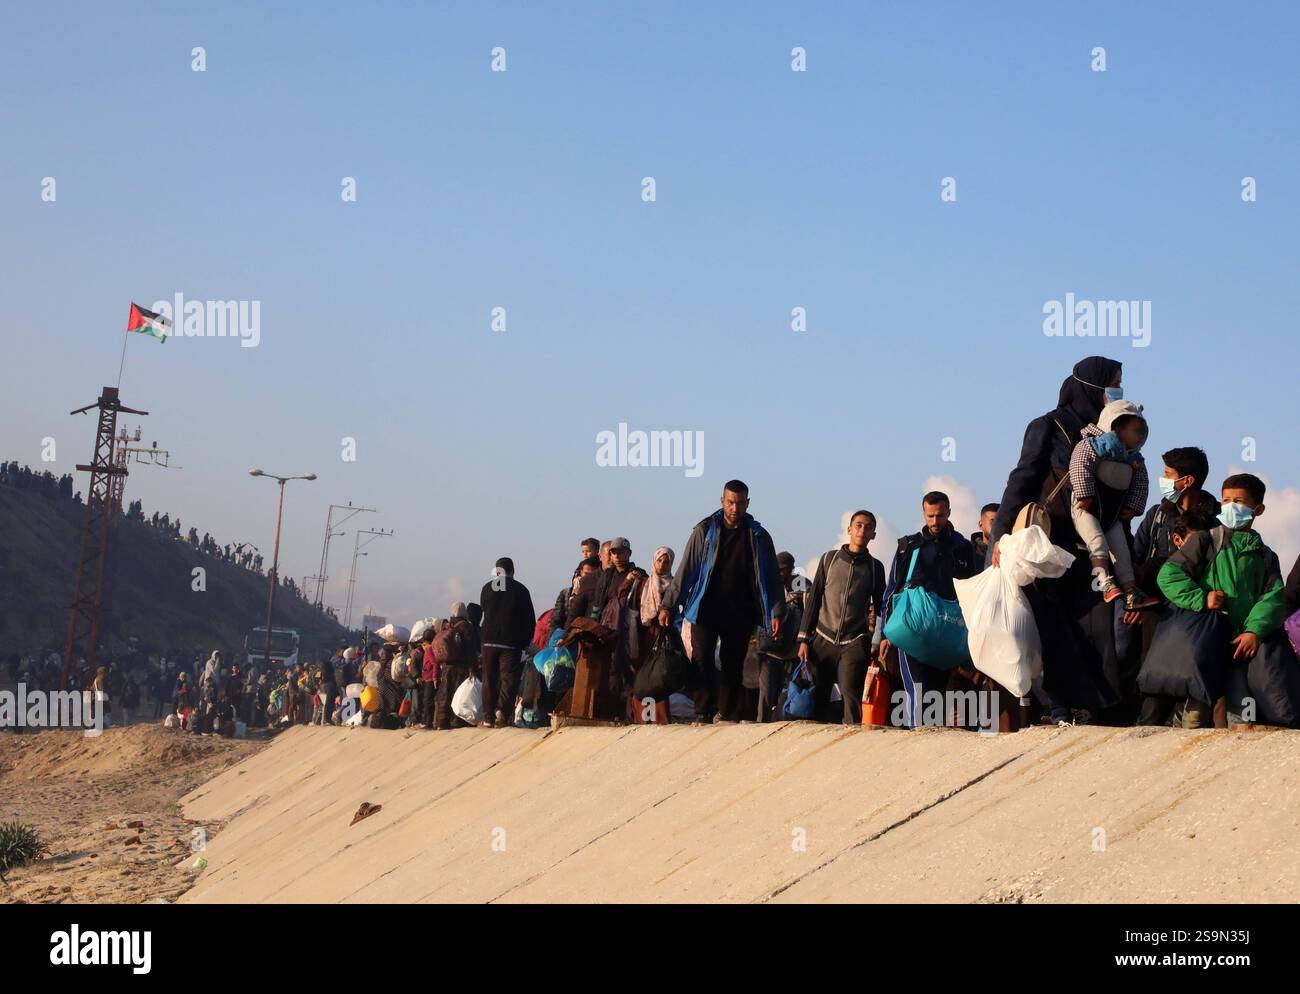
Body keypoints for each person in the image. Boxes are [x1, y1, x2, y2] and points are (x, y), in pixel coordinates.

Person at [988, 355, 1130, 725]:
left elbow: (1116, 503)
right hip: (1050, 551)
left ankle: (1104, 716)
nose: (1118, 389)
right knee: (1056, 631)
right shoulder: (1048, 427)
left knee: (1100, 637)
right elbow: (1020, 481)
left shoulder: (1113, 431)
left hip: (1093, 555)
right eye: (1113, 382)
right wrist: (998, 539)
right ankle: (1060, 709)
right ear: (1092, 386)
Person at [1158, 473, 1288, 727]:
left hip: (1240, 647)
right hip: (1205, 643)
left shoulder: (1265, 555)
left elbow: (1273, 598)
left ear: (1258, 509)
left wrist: (1253, 631)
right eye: (1226, 500)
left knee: (1240, 716)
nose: (1230, 506)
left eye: (1238, 501)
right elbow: (1169, 575)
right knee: (1194, 718)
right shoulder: (1206, 540)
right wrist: (1201, 598)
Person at [658, 480, 786, 723]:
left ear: (747, 503)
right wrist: (668, 604)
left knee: (733, 663)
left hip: (742, 610)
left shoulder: (758, 536)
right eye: (730, 502)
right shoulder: (705, 530)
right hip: (706, 607)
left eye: (739, 503)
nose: (734, 508)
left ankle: (726, 714)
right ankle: (703, 711)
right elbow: (687, 569)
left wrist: (776, 612)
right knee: (701, 658)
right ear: (722, 502)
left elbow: (772, 579)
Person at [877, 492, 977, 726]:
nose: (935, 522)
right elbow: (892, 590)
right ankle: (917, 741)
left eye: (940, 516)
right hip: (911, 630)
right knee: (918, 693)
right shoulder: (908, 546)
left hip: (946, 631)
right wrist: (884, 634)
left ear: (949, 513)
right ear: (923, 514)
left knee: (938, 696)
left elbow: (971, 591)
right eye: (930, 516)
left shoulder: (962, 547)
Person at [1067, 399, 1159, 611]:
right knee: (1097, 543)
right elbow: (1079, 465)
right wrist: (1085, 494)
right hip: (1085, 509)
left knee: (1122, 552)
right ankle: (1103, 581)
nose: (1141, 437)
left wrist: (1134, 507)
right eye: (1136, 431)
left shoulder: (1135, 459)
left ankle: (1131, 592)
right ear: (1117, 427)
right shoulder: (1089, 446)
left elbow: (1140, 484)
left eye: (1143, 433)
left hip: (1113, 513)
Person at [1134, 505, 1219, 726]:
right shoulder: (1157, 568)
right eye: (1195, 541)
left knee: (1195, 721)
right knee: (1152, 717)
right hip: (1163, 657)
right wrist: (1202, 599)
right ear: (1178, 540)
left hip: (1196, 659)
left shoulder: (1214, 569)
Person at [799, 513, 886, 724]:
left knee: (850, 693)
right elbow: (814, 598)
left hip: (855, 640)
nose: (862, 531)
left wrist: (878, 639)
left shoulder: (875, 568)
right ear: (849, 529)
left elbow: (883, 606)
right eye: (858, 526)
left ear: (873, 535)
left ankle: (852, 742)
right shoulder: (829, 559)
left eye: (867, 528)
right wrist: (803, 638)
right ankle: (817, 742)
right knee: (819, 694)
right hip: (823, 637)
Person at [478, 557, 536, 728]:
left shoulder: (487, 588)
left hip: (488, 640)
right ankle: (502, 712)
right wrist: (526, 640)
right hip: (511, 642)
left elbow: (484, 610)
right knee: (508, 679)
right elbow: (529, 619)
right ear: (513, 571)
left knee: (489, 679)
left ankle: (488, 717)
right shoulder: (521, 590)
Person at [970, 503, 999, 573]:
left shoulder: (1009, 550)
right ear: (981, 525)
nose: (997, 526)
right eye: (993, 522)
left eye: (1000, 523)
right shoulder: (969, 552)